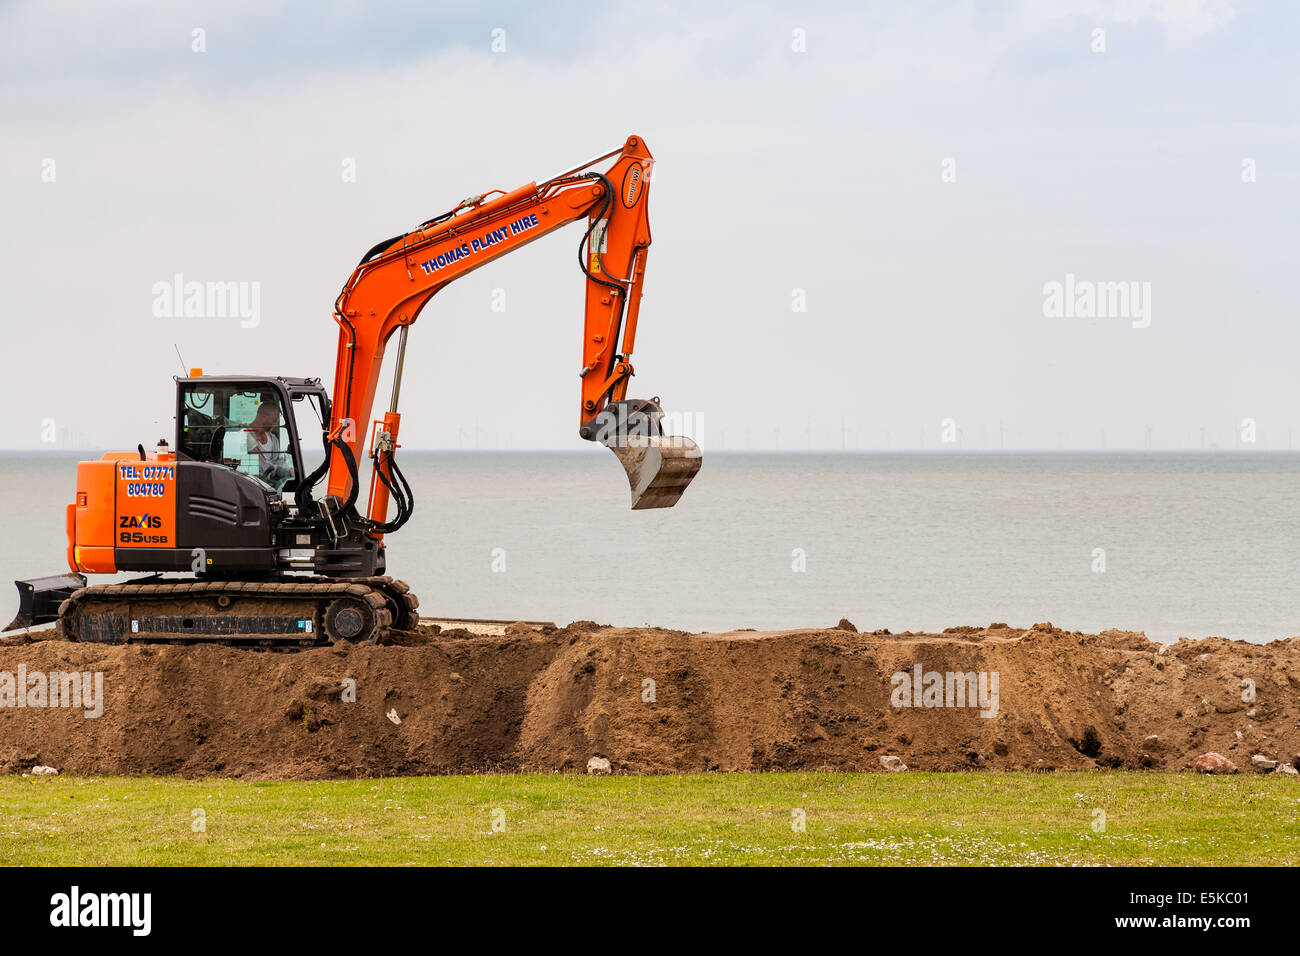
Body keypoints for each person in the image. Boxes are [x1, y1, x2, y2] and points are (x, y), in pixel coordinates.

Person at [246, 401, 293, 488]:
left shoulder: (274, 440)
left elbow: (280, 463)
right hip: (252, 485)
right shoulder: (245, 436)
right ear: (263, 416)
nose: (275, 424)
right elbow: (256, 468)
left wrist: (289, 472)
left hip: (269, 486)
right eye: (274, 420)